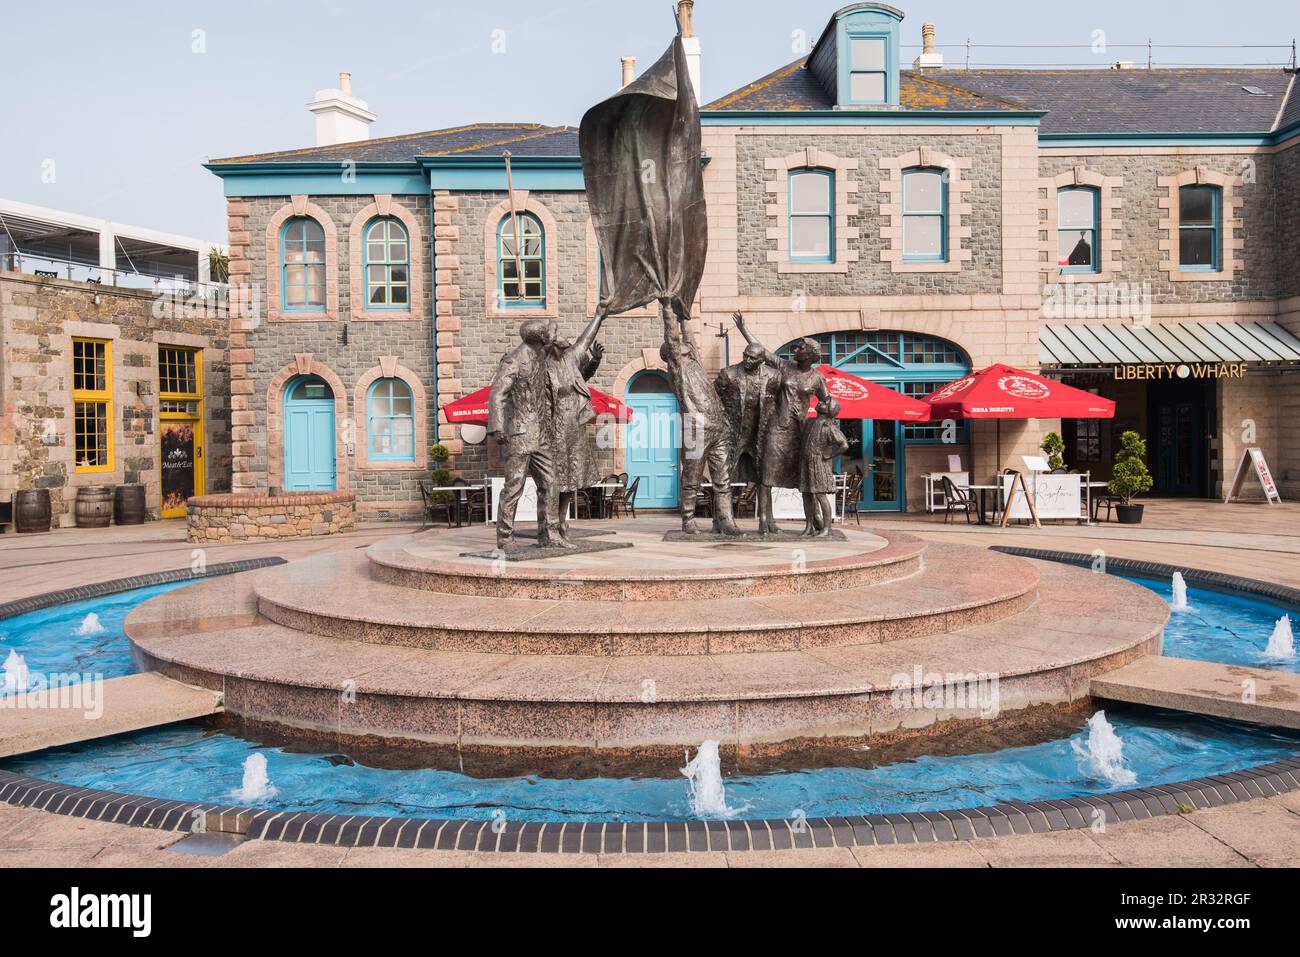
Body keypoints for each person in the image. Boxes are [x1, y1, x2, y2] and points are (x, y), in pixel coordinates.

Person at [729, 311, 830, 535]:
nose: (796, 349)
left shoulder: (817, 378)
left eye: (801, 348)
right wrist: (743, 329)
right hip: (777, 428)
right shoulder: (785, 367)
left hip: (800, 433)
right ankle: (765, 521)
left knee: (804, 478)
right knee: (766, 475)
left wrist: (820, 422)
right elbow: (761, 351)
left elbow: (831, 404)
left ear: (810, 355)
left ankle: (814, 521)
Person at [659, 300, 740, 535]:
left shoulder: (693, 361)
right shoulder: (676, 367)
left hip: (718, 427)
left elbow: (689, 336)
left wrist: (683, 313)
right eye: (680, 345)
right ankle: (688, 519)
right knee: (692, 476)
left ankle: (724, 520)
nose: (686, 345)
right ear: (671, 353)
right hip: (695, 429)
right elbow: (673, 336)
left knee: (722, 478)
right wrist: (667, 308)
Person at [487, 319, 564, 550]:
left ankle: (550, 534)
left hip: (541, 434)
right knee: (514, 487)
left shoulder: (542, 354)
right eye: (545, 334)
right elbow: (497, 393)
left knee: (551, 483)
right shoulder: (514, 359)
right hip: (519, 433)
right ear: (539, 337)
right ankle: (505, 537)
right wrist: (498, 427)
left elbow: (563, 340)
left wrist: (554, 335)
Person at [547, 307, 609, 544]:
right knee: (556, 477)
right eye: (557, 333)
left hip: (574, 426)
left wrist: (599, 316)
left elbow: (586, 342)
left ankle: (562, 520)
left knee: (571, 477)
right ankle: (551, 524)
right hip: (556, 428)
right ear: (551, 342)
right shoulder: (545, 366)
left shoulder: (571, 359)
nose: (564, 335)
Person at [714, 342, 779, 531]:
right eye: (745, 355)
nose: (747, 360)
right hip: (732, 434)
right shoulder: (729, 374)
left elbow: (776, 402)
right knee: (723, 477)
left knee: (764, 479)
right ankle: (719, 521)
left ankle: (767, 521)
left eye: (752, 358)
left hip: (759, 434)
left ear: (761, 360)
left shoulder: (773, 376)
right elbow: (713, 399)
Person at [800, 395, 849, 537]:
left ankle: (827, 528)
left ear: (829, 410)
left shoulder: (830, 427)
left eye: (824, 402)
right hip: (806, 462)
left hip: (819, 464)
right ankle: (809, 526)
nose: (820, 402)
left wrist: (829, 455)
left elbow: (844, 445)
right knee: (806, 495)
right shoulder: (810, 422)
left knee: (821, 496)